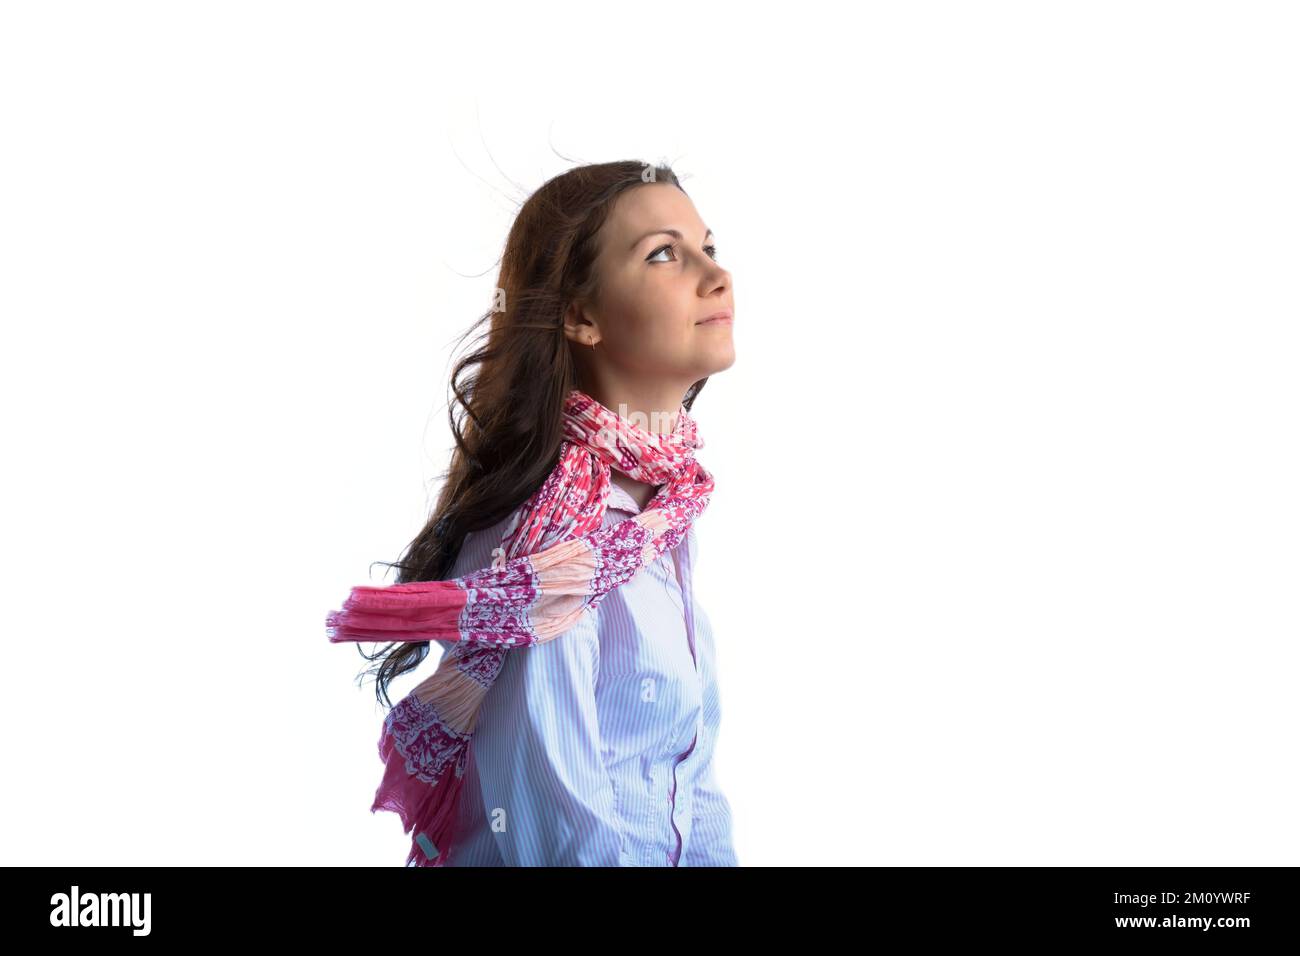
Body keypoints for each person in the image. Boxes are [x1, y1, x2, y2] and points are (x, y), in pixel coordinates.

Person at [351, 159, 738, 866]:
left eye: (708, 249)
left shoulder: (661, 514)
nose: (717, 277)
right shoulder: (549, 538)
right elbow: (558, 835)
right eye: (664, 254)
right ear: (580, 316)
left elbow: (690, 785)